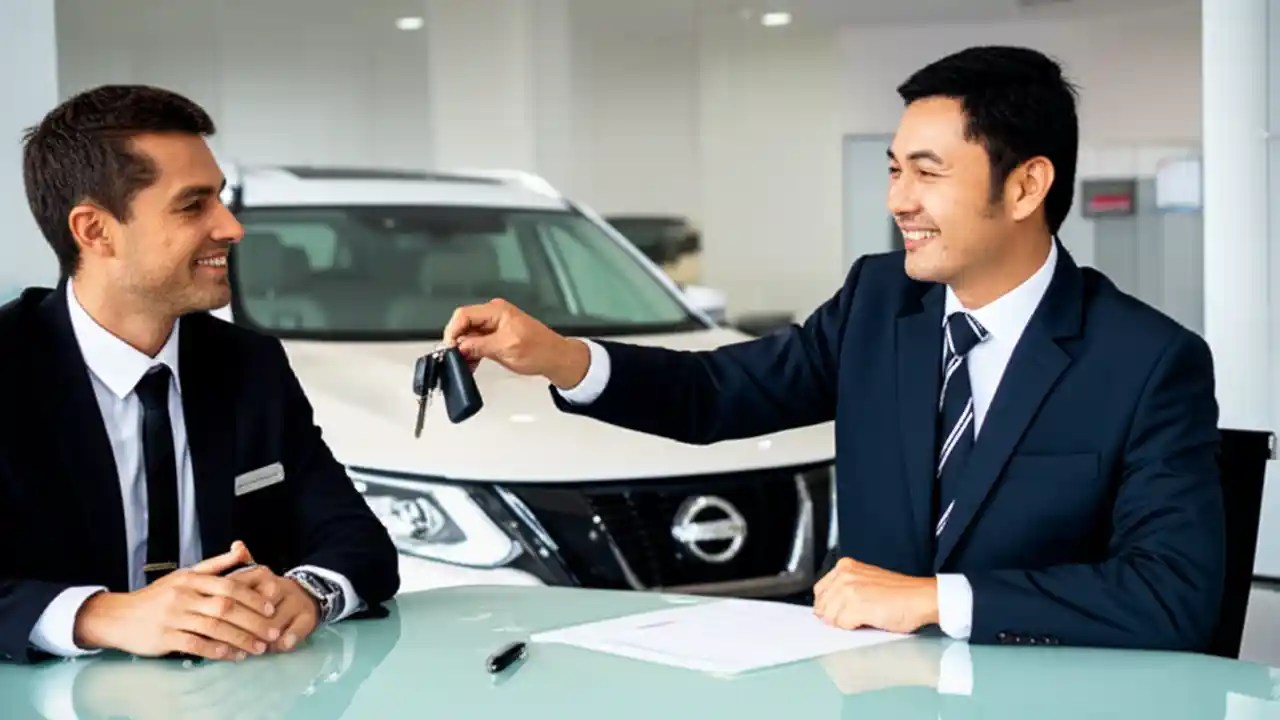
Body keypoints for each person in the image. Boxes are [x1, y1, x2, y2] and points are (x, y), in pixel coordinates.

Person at [442, 46, 1224, 650]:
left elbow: (1174, 596)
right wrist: (561, 358)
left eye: (927, 174)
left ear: (1025, 186)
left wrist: (936, 599)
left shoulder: (1149, 363)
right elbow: (716, 395)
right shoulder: (878, 302)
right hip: (874, 689)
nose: (898, 201)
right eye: (894, 170)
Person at [0, 85, 399, 664]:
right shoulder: (9, 367)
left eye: (221, 199)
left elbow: (357, 540)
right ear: (95, 230)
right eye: (193, 206)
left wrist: (307, 592)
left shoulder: (249, 364)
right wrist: (101, 615)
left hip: (236, 691)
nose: (231, 227)